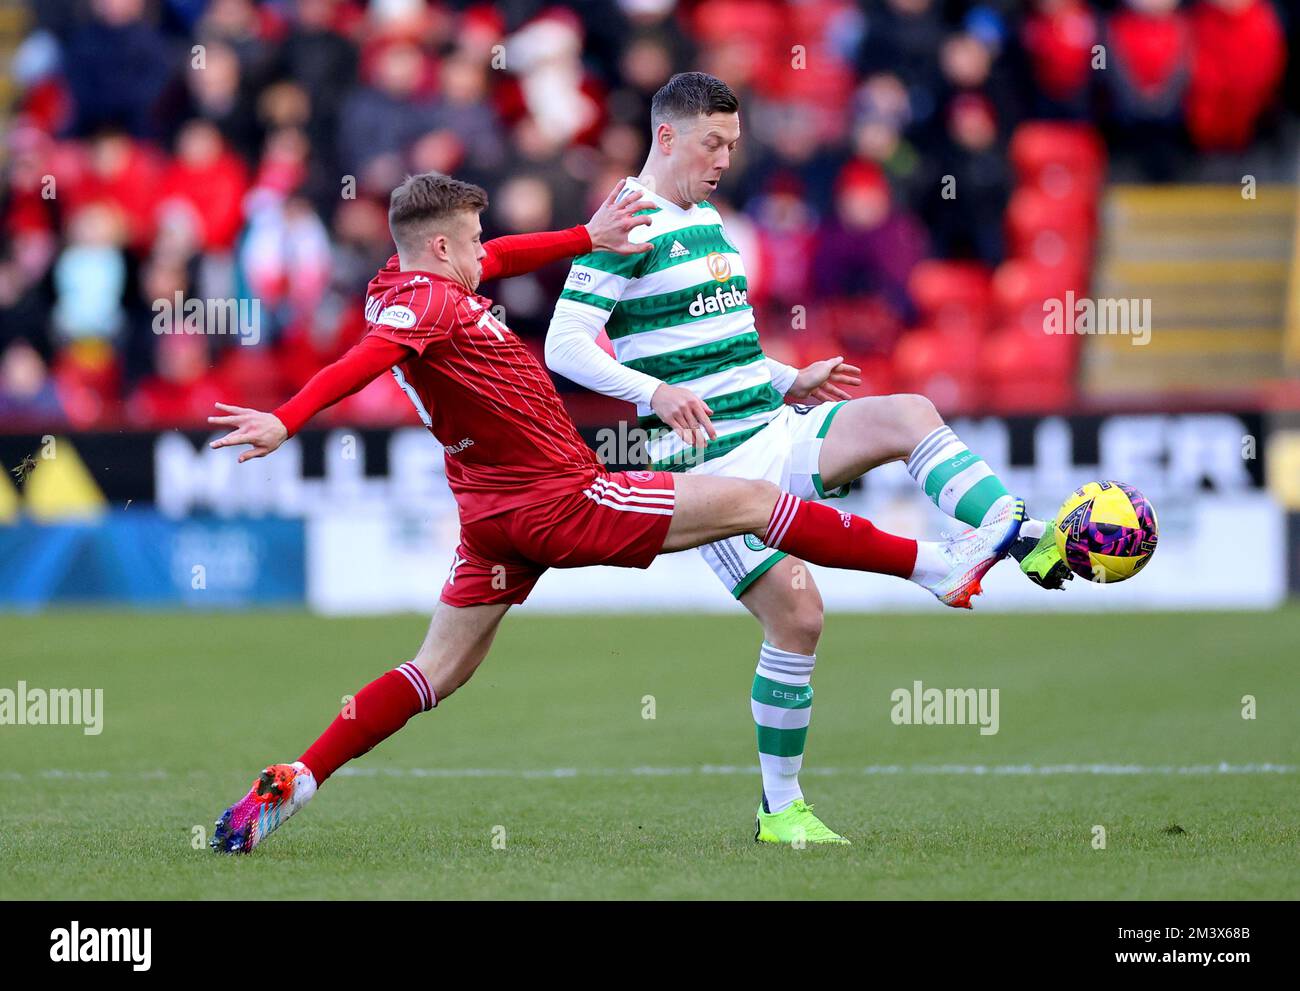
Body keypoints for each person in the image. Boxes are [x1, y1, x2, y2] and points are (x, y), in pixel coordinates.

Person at [207, 172, 1023, 854]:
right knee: (751, 501)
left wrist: (583, 238)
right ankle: (935, 565)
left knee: (434, 670)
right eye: (476, 241)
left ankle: (295, 781)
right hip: (560, 497)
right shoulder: (425, 304)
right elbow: (366, 359)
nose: (486, 253)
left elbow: (486, 268)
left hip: (490, 517)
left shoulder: (410, 285)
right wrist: (289, 415)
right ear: (443, 246)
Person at [545, 72, 1066, 845]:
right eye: (713, 143)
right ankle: (781, 808)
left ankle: (1018, 535)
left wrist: (792, 379)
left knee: (908, 412)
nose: (725, 158)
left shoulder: (709, 216)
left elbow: (720, 350)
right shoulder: (626, 219)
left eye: (733, 144)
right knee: (800, 616)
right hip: (707, 468)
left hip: (770, 424)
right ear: (666, 136)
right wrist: (653, 394)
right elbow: (564, 344)